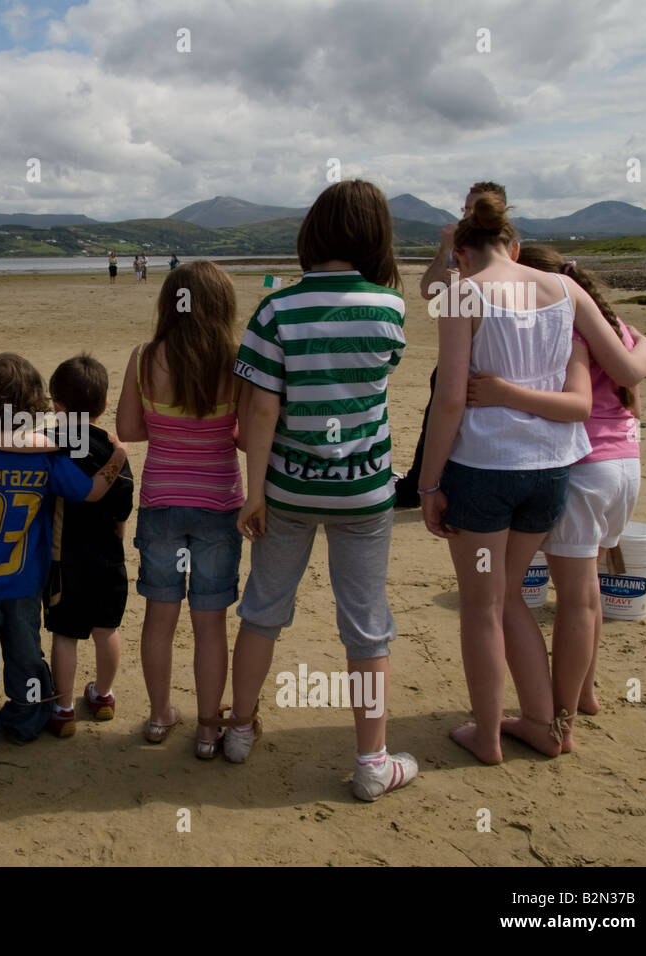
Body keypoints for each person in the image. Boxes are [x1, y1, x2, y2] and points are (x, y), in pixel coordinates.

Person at [418, 194, 646, 764]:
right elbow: (619, 361)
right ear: (515, 246)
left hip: (485, 470)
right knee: (509, 598)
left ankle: (489, 734)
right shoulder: (566, 290)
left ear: (463, 254)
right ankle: (546, 723)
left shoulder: (461, 293)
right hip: (551, 470)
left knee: (483, 606)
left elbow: (449, 400)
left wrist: (428, 484)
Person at [232, 180, 417, 799]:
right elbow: (374, 382)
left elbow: (260, 411)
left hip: (287, 487)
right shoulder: (390, 309)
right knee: (366, 625)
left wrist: (253, 492)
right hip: (364, 491)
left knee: (262, 609)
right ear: (375, 236)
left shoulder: (276, 309)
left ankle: (237, 729)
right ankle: (372, 763)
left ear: (312, 232)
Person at [0, 354, 128, 751]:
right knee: (26, 655)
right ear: (36, 406)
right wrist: (117, 457)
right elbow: (90, 491)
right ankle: (27, 722)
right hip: (26, 581)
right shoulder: (46, 457)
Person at [116, 261, 246, 758]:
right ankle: (209, 728)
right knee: (210, 622)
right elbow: (245, 437)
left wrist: (170, 429)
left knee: (159, 616)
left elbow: (128, 429)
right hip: (217, 503)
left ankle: (158, 715)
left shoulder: (145, 358)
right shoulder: (235, 360)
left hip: (162, 502)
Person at [394, 182, 510, 508]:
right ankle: (421, 483)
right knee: (438, 415)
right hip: (456, 353)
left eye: (476, 209)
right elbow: (429, 289)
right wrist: (446, 247)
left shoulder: (504, 250)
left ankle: (441, 486)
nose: (468, 216)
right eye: (465, 209)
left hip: (492, 353)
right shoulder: (459, 249)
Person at [43, 354, 134, 736]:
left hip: (65, 560)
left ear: (58, 406)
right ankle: (103, 695)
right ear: (105, 405)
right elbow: (123, 504)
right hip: (108, 558)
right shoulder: (112, 450)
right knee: (106, 630)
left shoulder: (48, 444)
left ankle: (63, 709)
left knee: (65, 635)